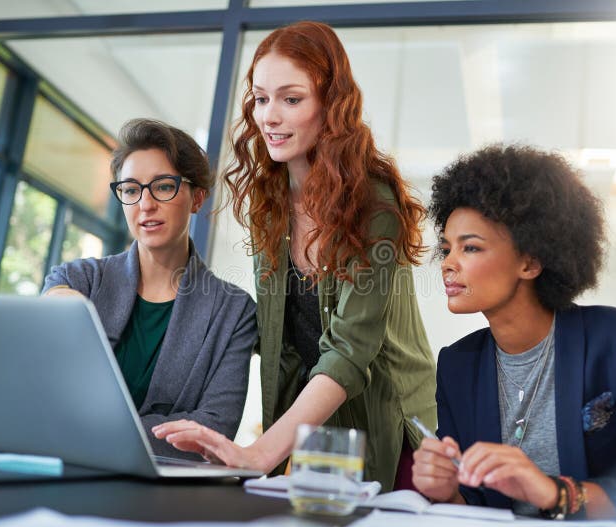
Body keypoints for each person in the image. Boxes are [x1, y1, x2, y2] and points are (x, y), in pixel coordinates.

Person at [152, 21, 436, 491]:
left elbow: (348, 351)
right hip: (314, 423)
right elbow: (277, 332)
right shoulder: (272, 201)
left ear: (331, 104)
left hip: (390, 422)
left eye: (291, 98)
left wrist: (259, 451)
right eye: (261, 99)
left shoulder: (375, 206)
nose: (269, 117)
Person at [412, 144, 616, 527]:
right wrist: (444, 489)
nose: (448, 263)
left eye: (470, 247)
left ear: (531, 261)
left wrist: (556, 494)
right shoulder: (457, 365)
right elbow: (475, 506)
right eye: (446, 248)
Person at [43, 118, 257, 458]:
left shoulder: (234, 311)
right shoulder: (78, 279)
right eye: (130, 190)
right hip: (65, 470)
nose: (145, 204)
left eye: (163, 186)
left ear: (197, 198)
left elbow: (213, 428)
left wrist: (88, 429)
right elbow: (44, 395)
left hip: (163, 495)